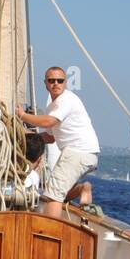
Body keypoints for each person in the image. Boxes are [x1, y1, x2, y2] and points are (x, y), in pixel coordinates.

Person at [15, 67, 100, 219]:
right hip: (84, 154)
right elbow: (50, 137)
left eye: (60, 80)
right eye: (51, 80)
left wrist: (22, 115)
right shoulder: (53, 107)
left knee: (53, 195)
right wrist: (23, 136)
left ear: (65, 83)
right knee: (58, 191)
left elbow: (48, 122)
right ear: (45, 84)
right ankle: (83, 189)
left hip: (77, 152)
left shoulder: (66, 100)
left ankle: (48, 234)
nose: (55, 84)